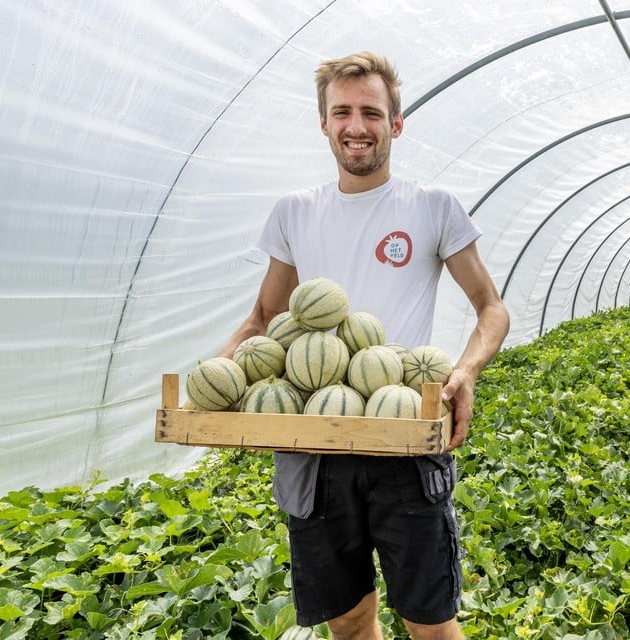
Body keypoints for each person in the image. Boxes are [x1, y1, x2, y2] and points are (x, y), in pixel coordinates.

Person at [218, 51, 510, 640]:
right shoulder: (294, 213)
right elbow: (263, 318)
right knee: (348, 620)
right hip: (315, 449)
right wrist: (212, 390)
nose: (357, 127)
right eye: (342, 112)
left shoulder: (433, 207)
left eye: (371, 113)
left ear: (395, 124)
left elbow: (492, 309)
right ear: (323, 122)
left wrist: (468, 370)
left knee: (429, 621)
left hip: (401, 435)